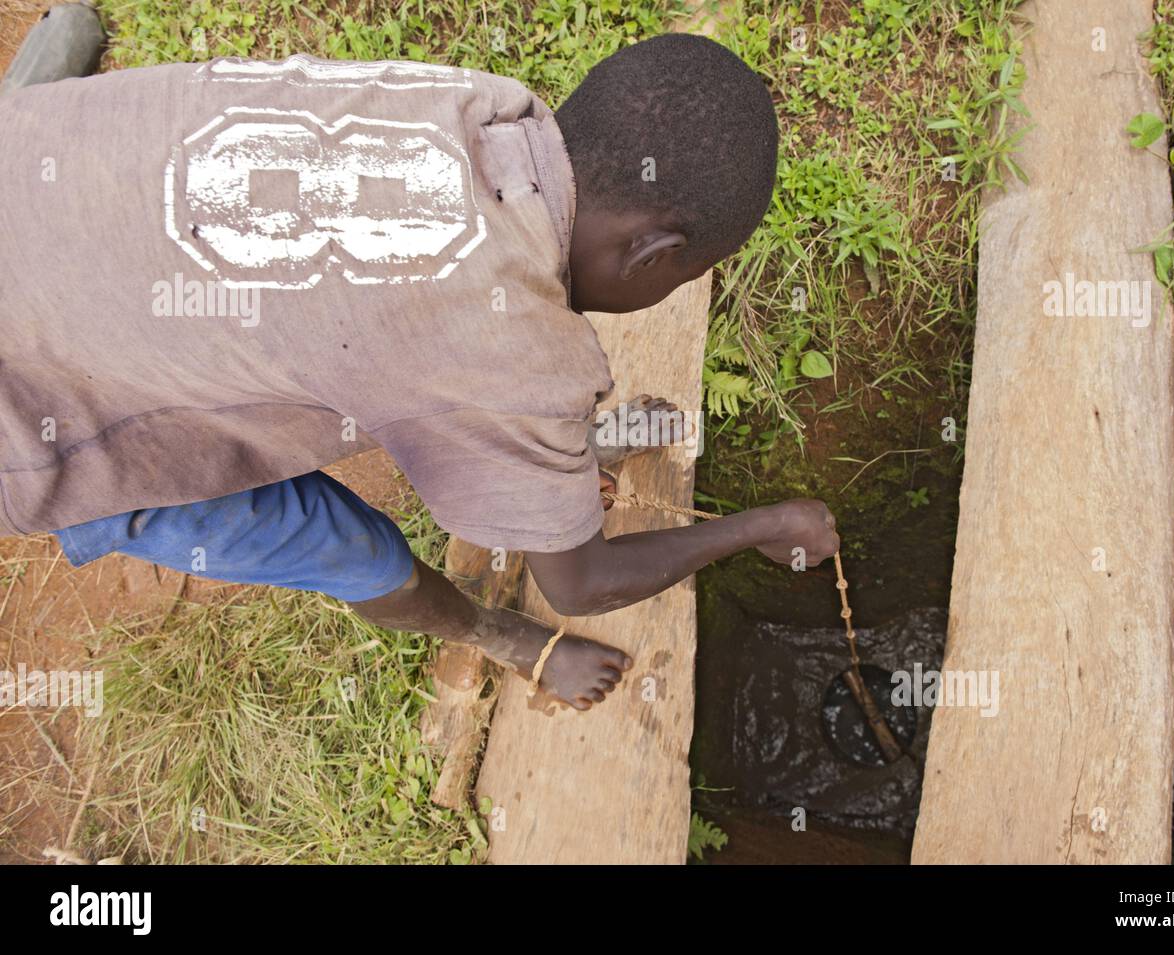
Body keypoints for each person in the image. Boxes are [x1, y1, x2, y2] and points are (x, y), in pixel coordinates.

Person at [0, 33, 838, 710]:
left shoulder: (471, 105)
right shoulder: (510, 357)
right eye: (685, 278)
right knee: (347, 548)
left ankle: (549, 476)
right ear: (656, 251)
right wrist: (761, 526)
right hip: (45, 411)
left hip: (44, 174)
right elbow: (582, 584)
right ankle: (502, 639)